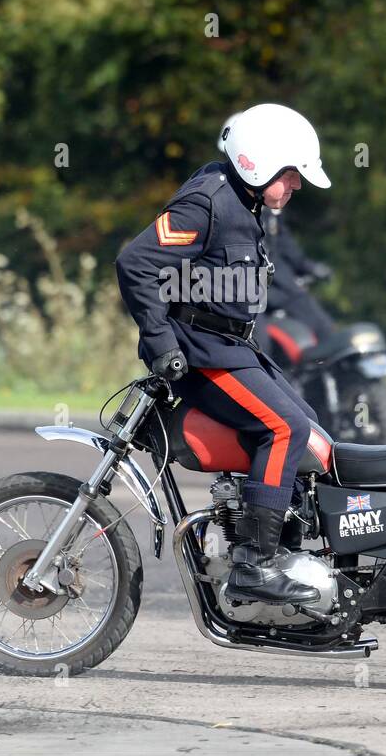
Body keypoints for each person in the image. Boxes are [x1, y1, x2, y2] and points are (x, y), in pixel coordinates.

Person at [116, 103, 331, 604]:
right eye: (293, 174)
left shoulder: (246, 202)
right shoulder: (206, 202)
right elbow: (135, 264)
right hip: (201, 352)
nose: (297, 186)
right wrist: (161, 343)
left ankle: (287, 547)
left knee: (311, 429)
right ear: (259, 162)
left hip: (231, 347)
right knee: (285, 429)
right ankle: (256, 563)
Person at [262, 207, 336, 339]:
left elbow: (284, 245)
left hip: (283, 286)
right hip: (252, 293)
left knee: (324, 328)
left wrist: (308, 267)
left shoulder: (269, 209)